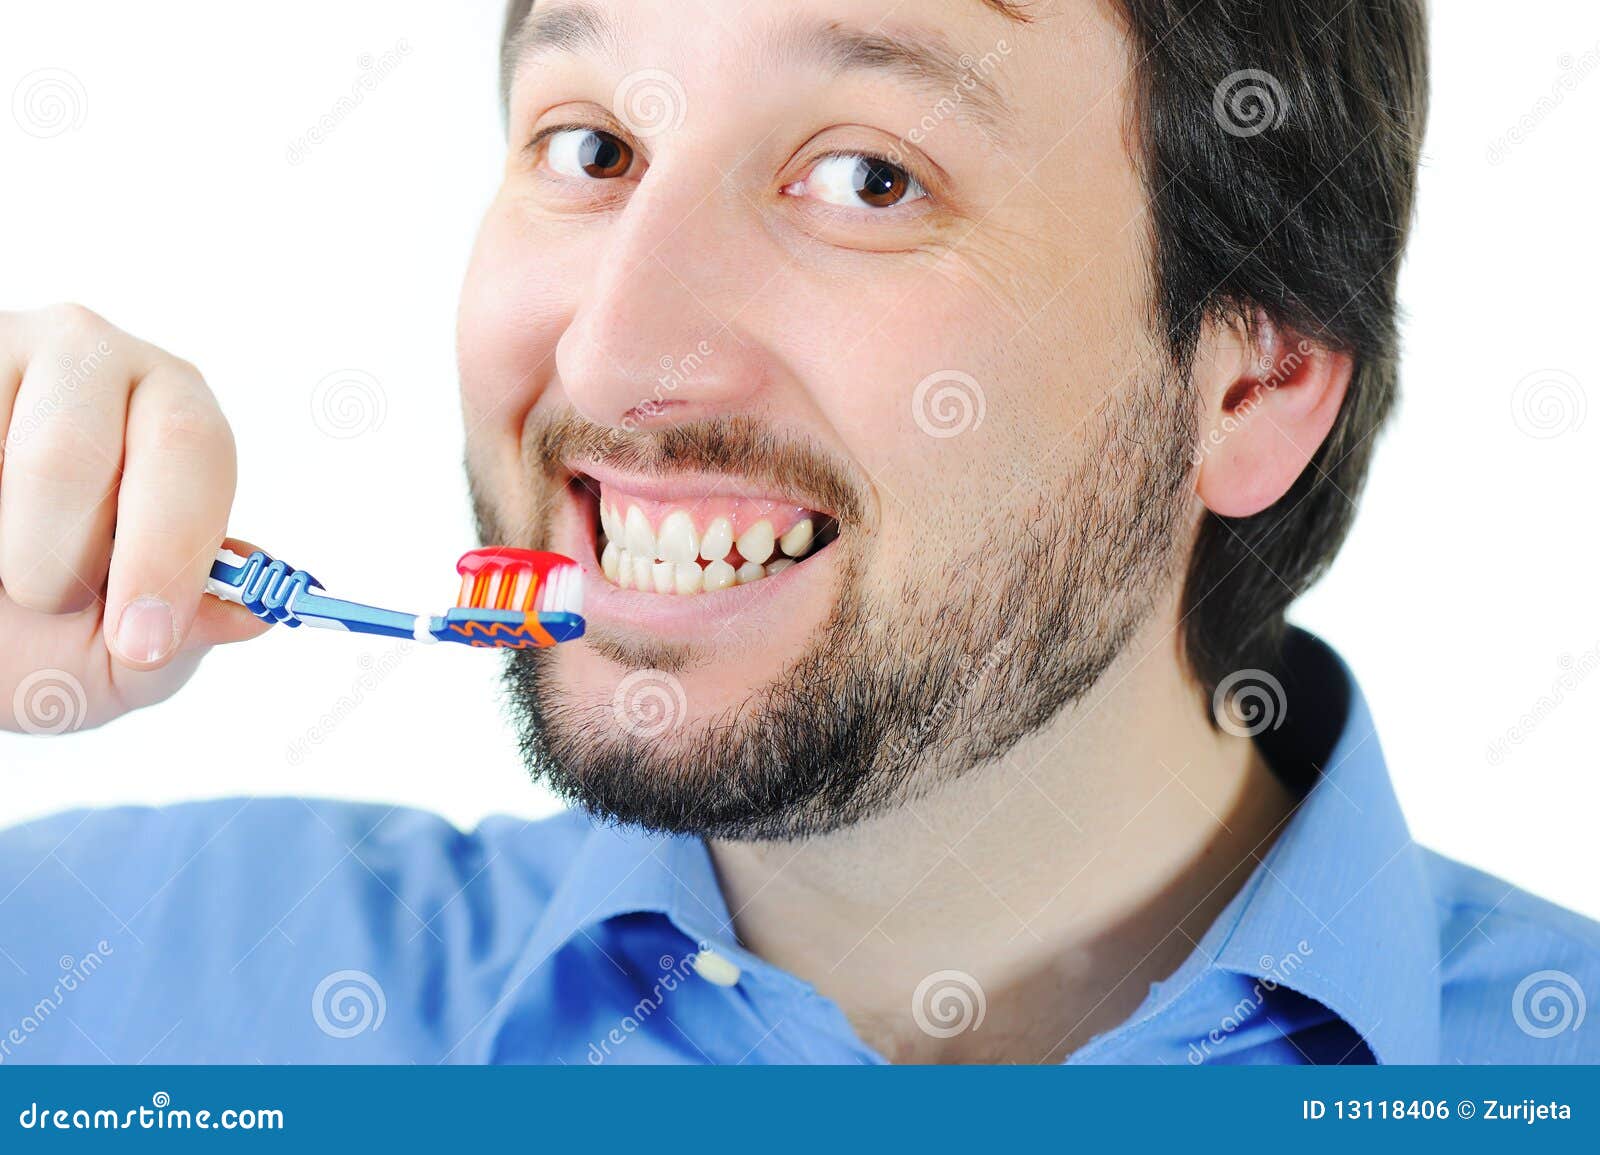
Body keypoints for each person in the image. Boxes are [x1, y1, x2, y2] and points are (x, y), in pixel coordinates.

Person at [1, 0, 1596, 1065]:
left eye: (865, 176)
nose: (614, 355)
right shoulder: (105, 980)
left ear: (1255, 385)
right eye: (592, 149)